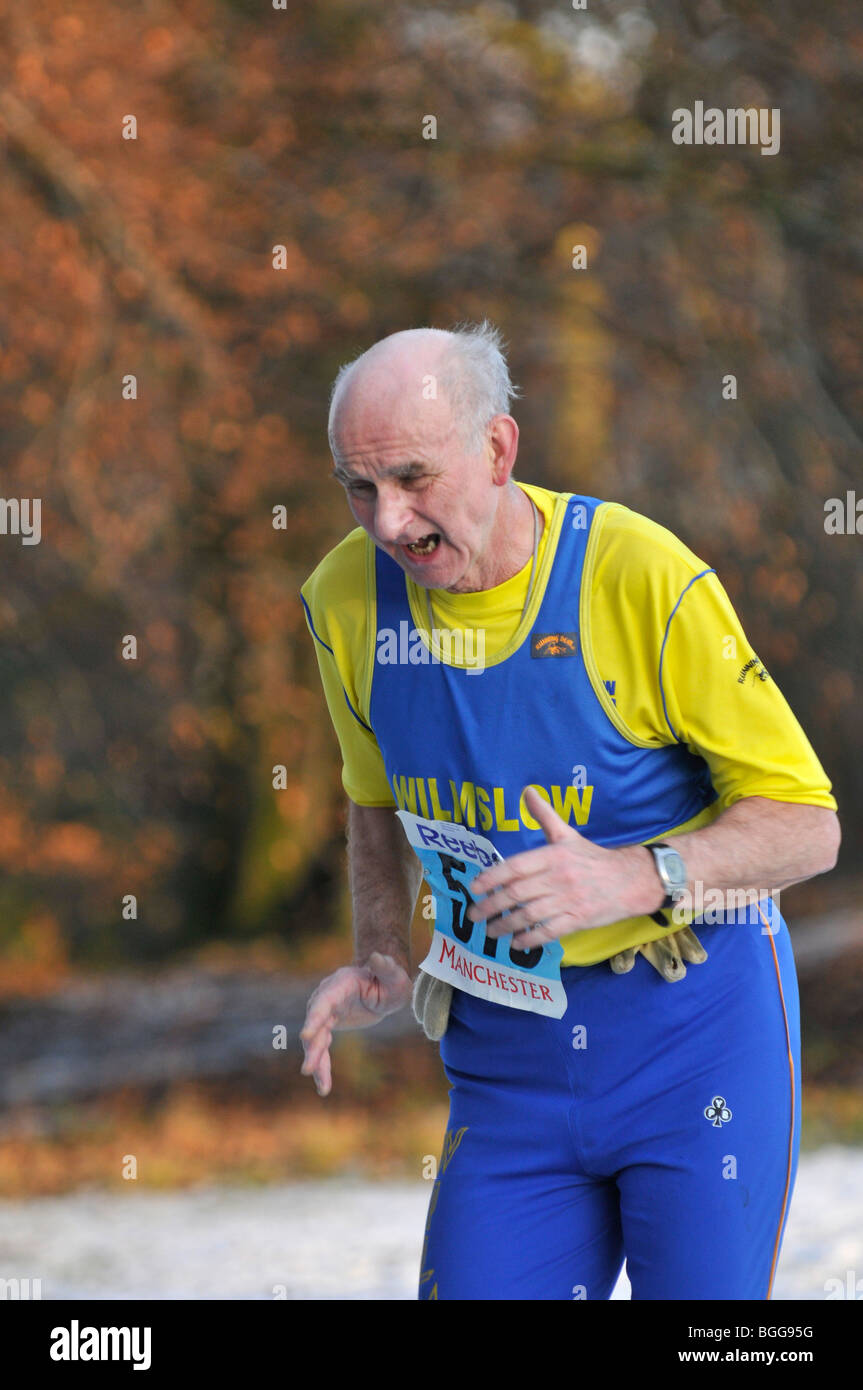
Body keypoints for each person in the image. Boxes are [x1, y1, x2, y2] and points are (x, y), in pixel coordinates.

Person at [298, 321, 840, 1301]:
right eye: (357, 486)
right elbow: (370, 798)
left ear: (497, 450)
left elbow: (805, 824)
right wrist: (379, 945)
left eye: (413, 477)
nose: (385, 521)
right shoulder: (343, 598)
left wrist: (632, 877)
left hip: (694, 1032)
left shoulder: (637, 577)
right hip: (507, 1055)